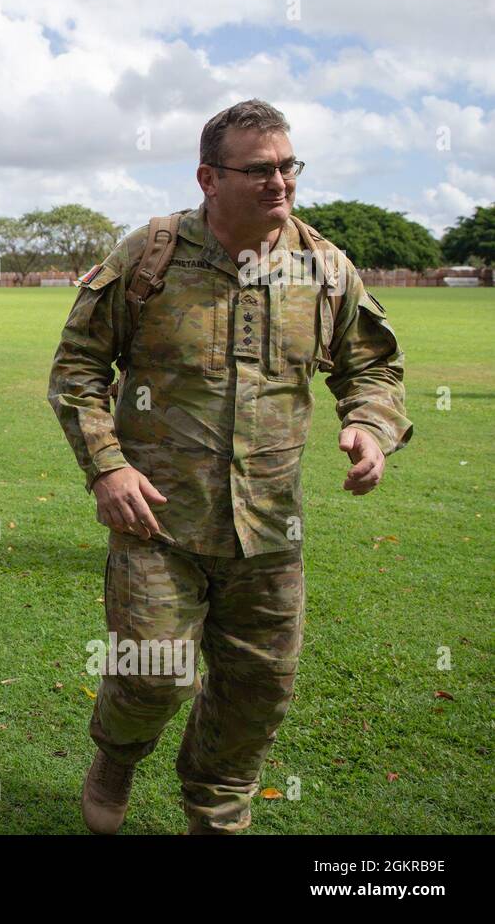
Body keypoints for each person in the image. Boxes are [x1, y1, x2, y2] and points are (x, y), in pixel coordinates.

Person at [48, 98, 413, 835]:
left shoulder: (325, 268)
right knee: (154, 671)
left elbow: (373, 368)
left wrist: (371, 427)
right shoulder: (150, 256)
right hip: (159, 519)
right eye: (259, 170)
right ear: (209, 177)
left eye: (288, 167)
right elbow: (79, 369)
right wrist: (108, 468)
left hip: (271, 531)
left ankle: (218, 808)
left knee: (258, 688)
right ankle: (117, 756)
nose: (279, 184)